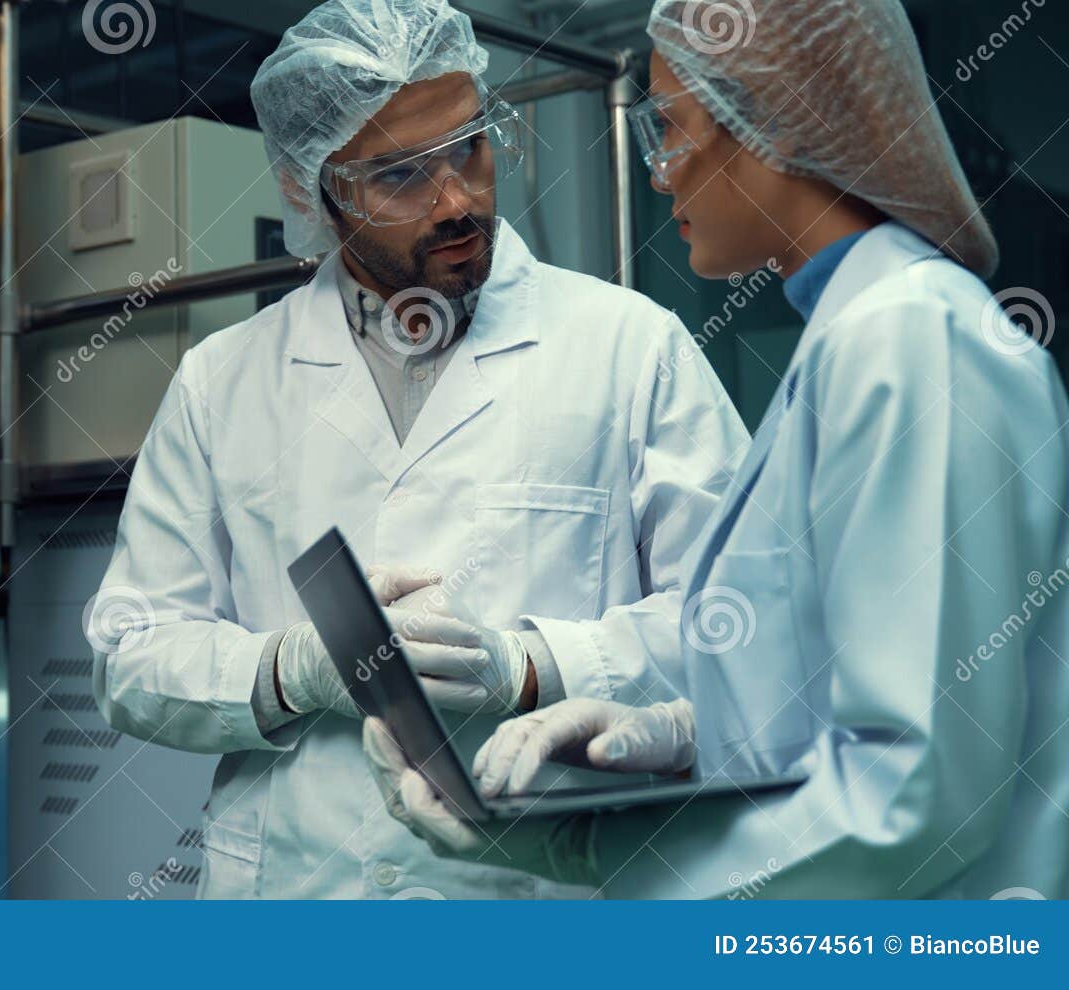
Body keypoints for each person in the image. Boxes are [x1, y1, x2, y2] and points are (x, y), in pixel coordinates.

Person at [366, 0, 1069, 899]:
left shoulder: (907, 340)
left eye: (672, 129)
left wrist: (602, 853)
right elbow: (844, 682)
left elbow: (913, 792)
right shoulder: (855, 336)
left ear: (771, 124)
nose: (661, 176)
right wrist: (670, 739)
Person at [86, 0, 749, 899]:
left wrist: (532, 665)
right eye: (399, 176)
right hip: (299, 893)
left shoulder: (632, 348)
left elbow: (746, 624)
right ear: (307, 188)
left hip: (531, 895)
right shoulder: (224, 381)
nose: (458, 200)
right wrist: (287, 672)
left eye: (470, 146)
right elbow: (130, 657)